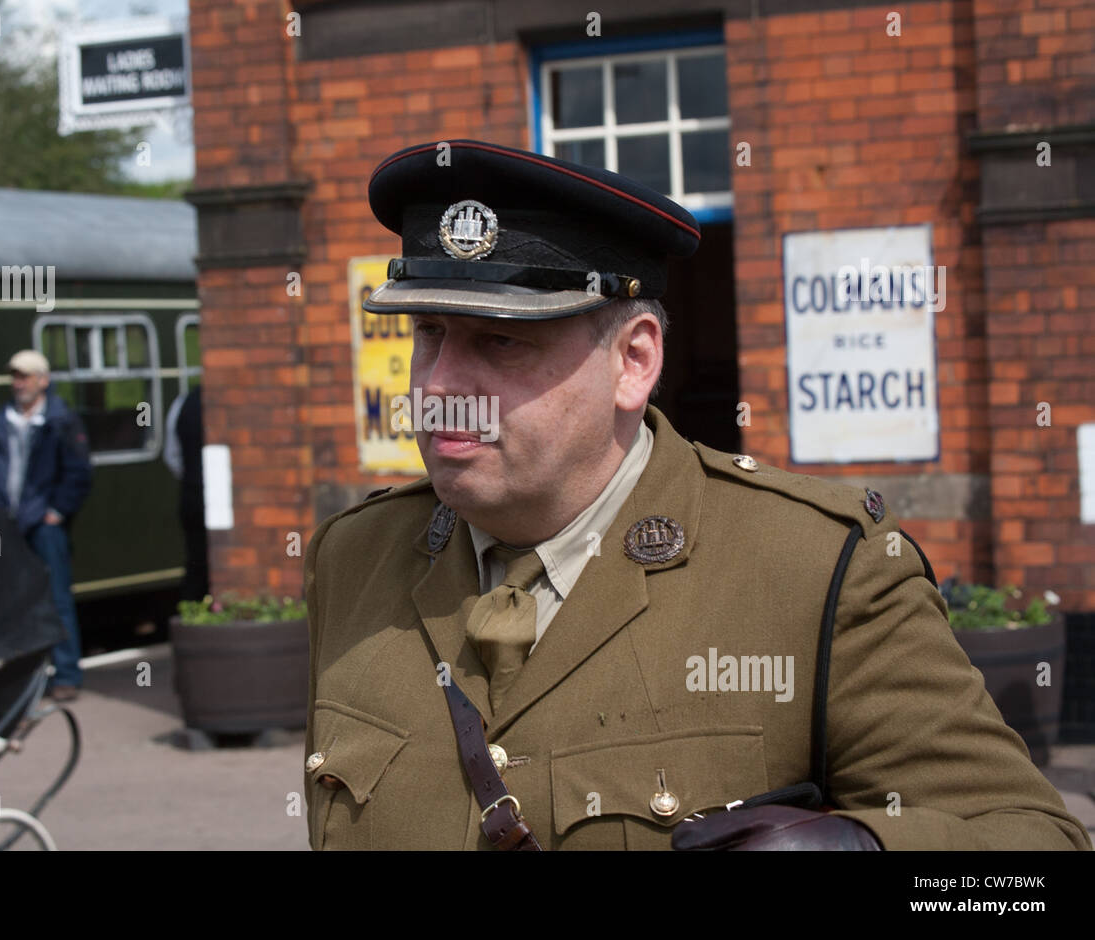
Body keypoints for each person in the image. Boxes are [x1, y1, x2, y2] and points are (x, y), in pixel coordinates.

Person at [301, 139, 1092, 851]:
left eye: (500, 340)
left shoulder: (814, 572)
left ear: (635, 361)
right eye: (429, 335)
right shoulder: (353, 561)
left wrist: (864, 850)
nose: (438, 387)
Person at [0, 350, 92, 702]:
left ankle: (67, 674)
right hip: (9, 522)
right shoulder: (3, 421)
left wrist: (56, 511)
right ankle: (27, 676)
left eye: (25, 376)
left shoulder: (61, 420)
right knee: (15, 600)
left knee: (56, 599)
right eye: (15, 376)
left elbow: (79, 471)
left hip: (44, 524)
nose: (18, 383)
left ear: (43, 380)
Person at [164, 384, 208, 603]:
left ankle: (193, 612)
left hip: (192, 494)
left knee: (196, 563)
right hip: (212, 498)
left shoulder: (183, 402)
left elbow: (172, 456)